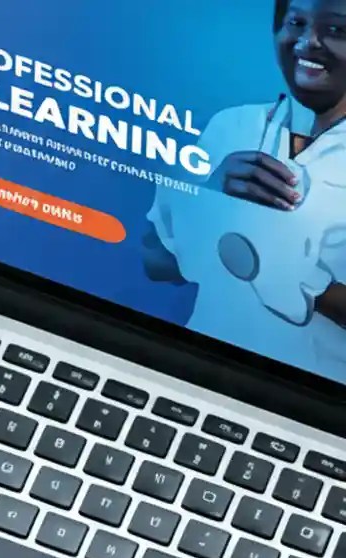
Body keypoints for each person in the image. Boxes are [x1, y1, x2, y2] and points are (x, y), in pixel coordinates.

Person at [143, 0, 346, 379]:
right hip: (192, 371)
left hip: (305, 396)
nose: (308, 42)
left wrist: (306, 282)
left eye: (336, 30)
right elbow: (155, 262)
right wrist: (207, 202)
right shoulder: (231, 126)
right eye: (296, 22)